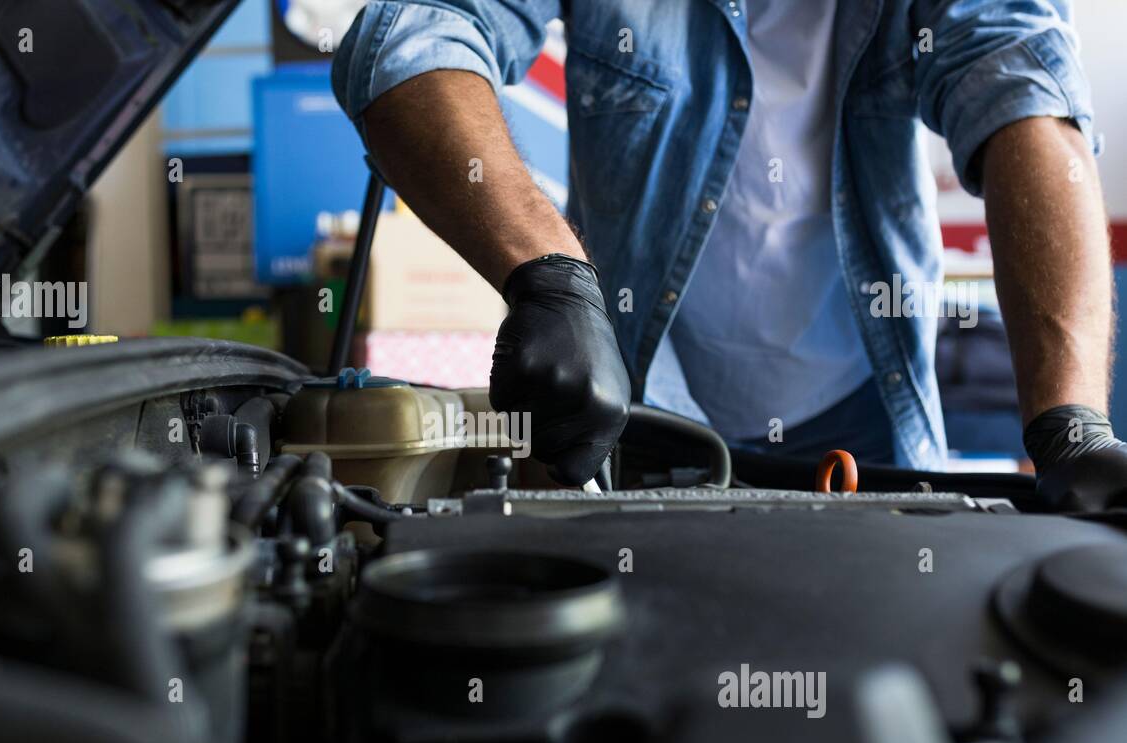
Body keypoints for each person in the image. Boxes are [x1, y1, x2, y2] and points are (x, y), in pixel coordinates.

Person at [332, 0, 1126, 507]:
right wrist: (551, 278)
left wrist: (1070, 427)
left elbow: (1024, 85)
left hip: (866, 420)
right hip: (640, 413)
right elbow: (407, 32)